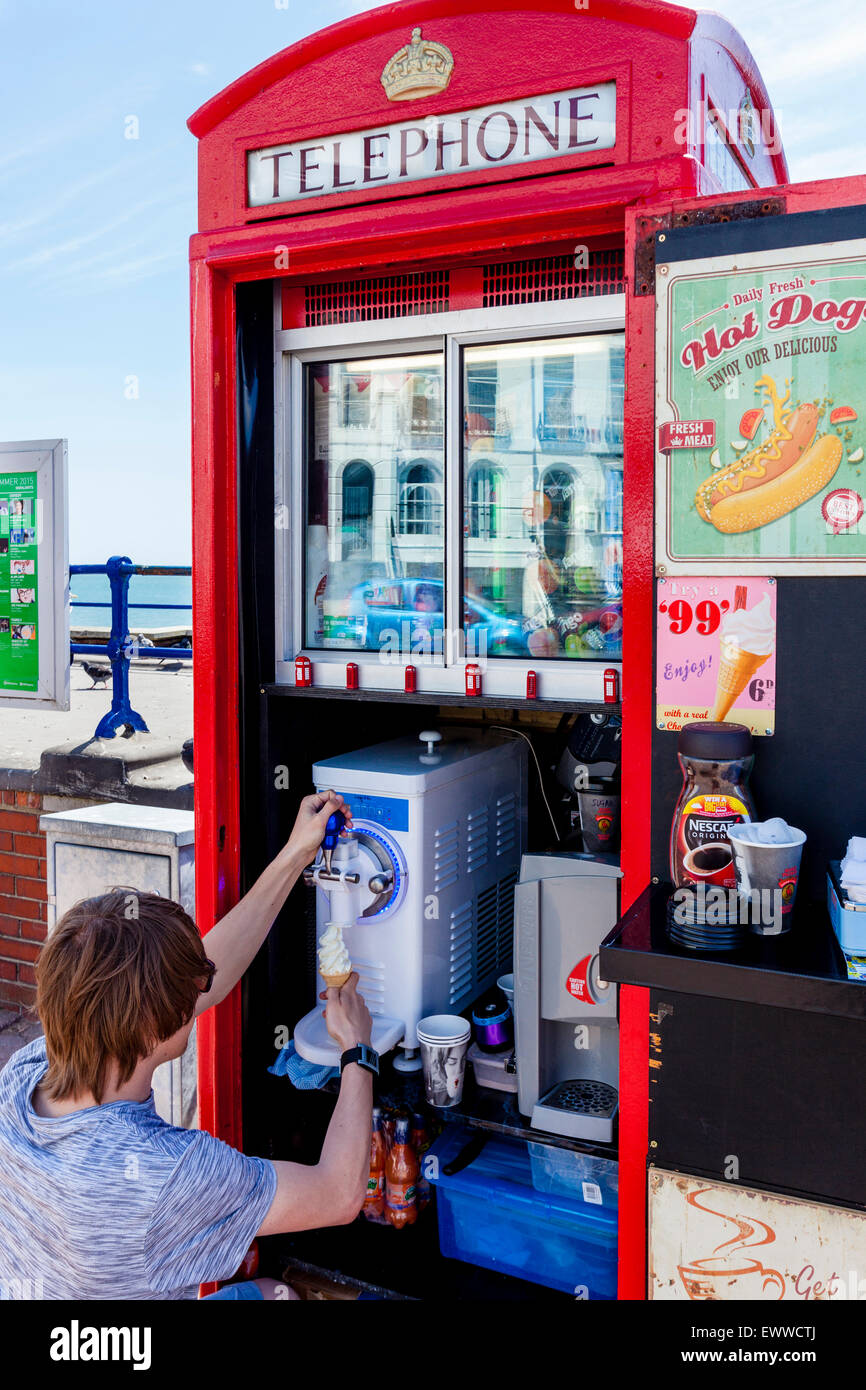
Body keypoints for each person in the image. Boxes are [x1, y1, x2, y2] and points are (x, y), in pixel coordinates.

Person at [0, 790, 374, 1301]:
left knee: (263, 1289)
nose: (200, 993)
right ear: (159, 1023)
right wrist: (358, 1051)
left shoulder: (23, 1072)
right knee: (282, 1294)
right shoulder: (168, 1174)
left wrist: (296, 854)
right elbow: (339, 1194)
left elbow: (205, 982)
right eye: (187, 992)